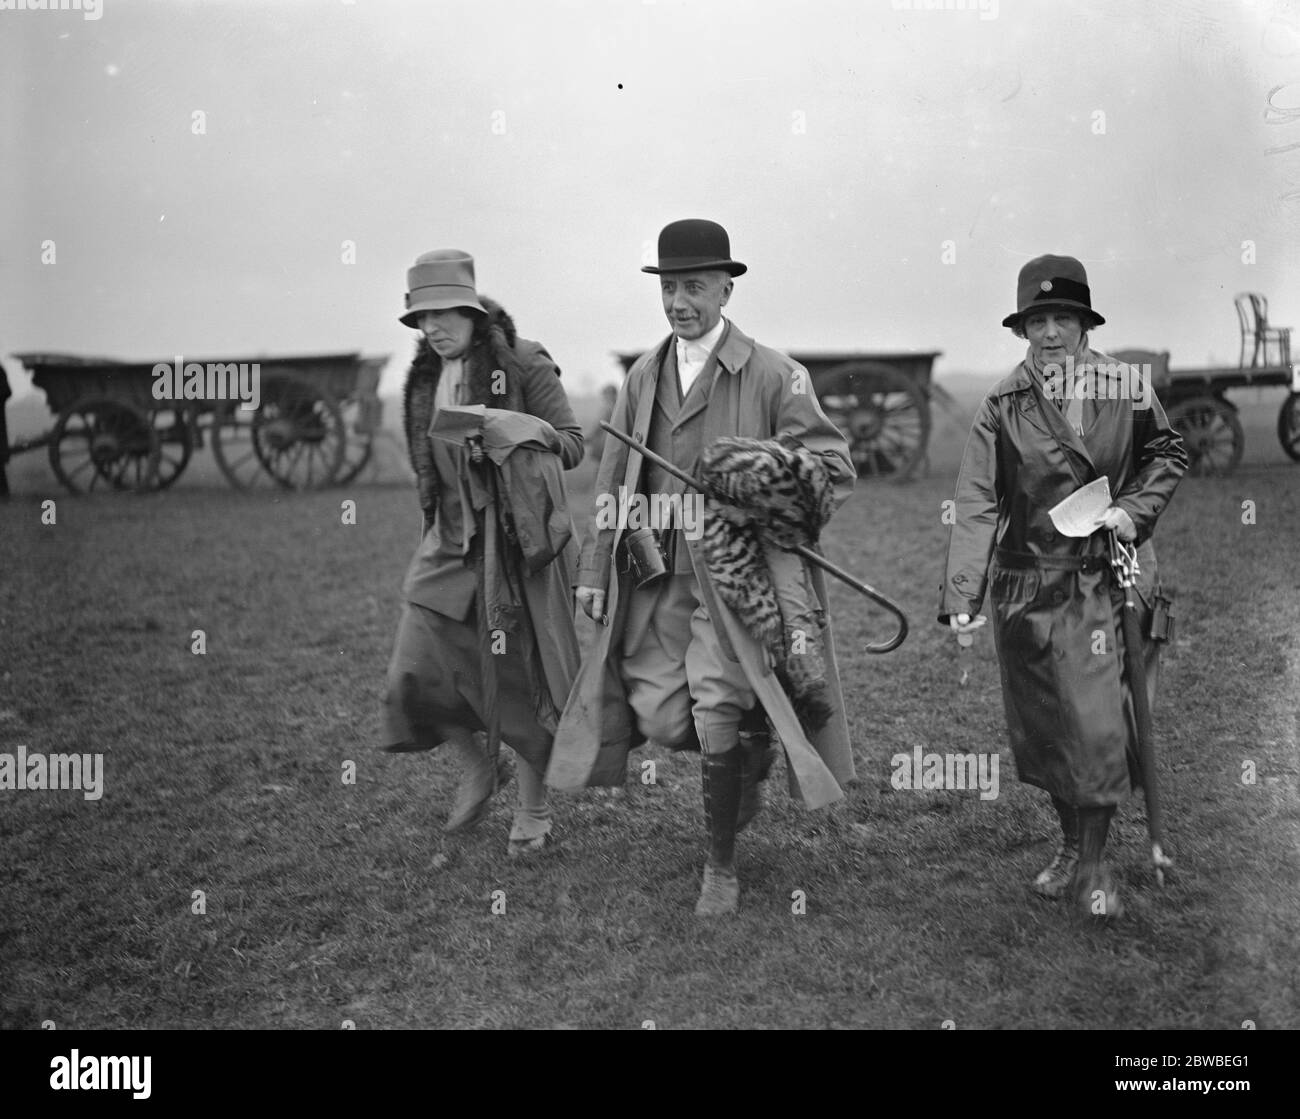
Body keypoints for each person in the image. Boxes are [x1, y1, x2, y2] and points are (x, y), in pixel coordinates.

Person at [548, 219, 857, 916]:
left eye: (693, 286)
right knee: (660, 713)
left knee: (714, 697)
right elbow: (611, 478)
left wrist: (757, 476)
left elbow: (833, 471)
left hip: (735, 575)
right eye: (668, 287)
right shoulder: (643, 375)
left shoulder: (777, 373)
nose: (679, 300)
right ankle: (753, 745)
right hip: (655, 572)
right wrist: (595, 570)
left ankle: (720, 867)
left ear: (726, 287)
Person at [939, 254, 1188, 920]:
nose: (1050, 332)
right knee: (1048, 730)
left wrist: (1131, 513)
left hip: (1107, 578)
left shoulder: (1126, 385)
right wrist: (962, 594)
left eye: (1063, 318)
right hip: (1029, 585)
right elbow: (976, 499)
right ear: (1023, 328)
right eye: (1037, 320)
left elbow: (1168, 452)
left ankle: (1099, 865)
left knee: (1101, 724)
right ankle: (1073, 842)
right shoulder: (1003, 402)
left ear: (1084, 323)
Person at [380, 249, 583, 857]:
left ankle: (533, 809)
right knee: (409, 675)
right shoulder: (422, 379)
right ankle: (477, 766)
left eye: (444, 313)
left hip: (515, 544)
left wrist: (507, 428)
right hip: (447, 540)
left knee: (516, 680)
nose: (433, 327)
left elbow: (572, 445)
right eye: (422, 317)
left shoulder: (521, 361)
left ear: (471, 310)